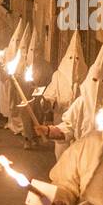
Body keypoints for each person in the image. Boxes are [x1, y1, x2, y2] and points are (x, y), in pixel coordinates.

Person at [40, 31, 87, 159]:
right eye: (71, 58)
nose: (73, 63)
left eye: (77, 59)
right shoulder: (58, 76)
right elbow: (50, 94)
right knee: (61, 156)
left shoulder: (87, 78)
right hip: (61, 121)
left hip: (80, 125)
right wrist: (47, 102)